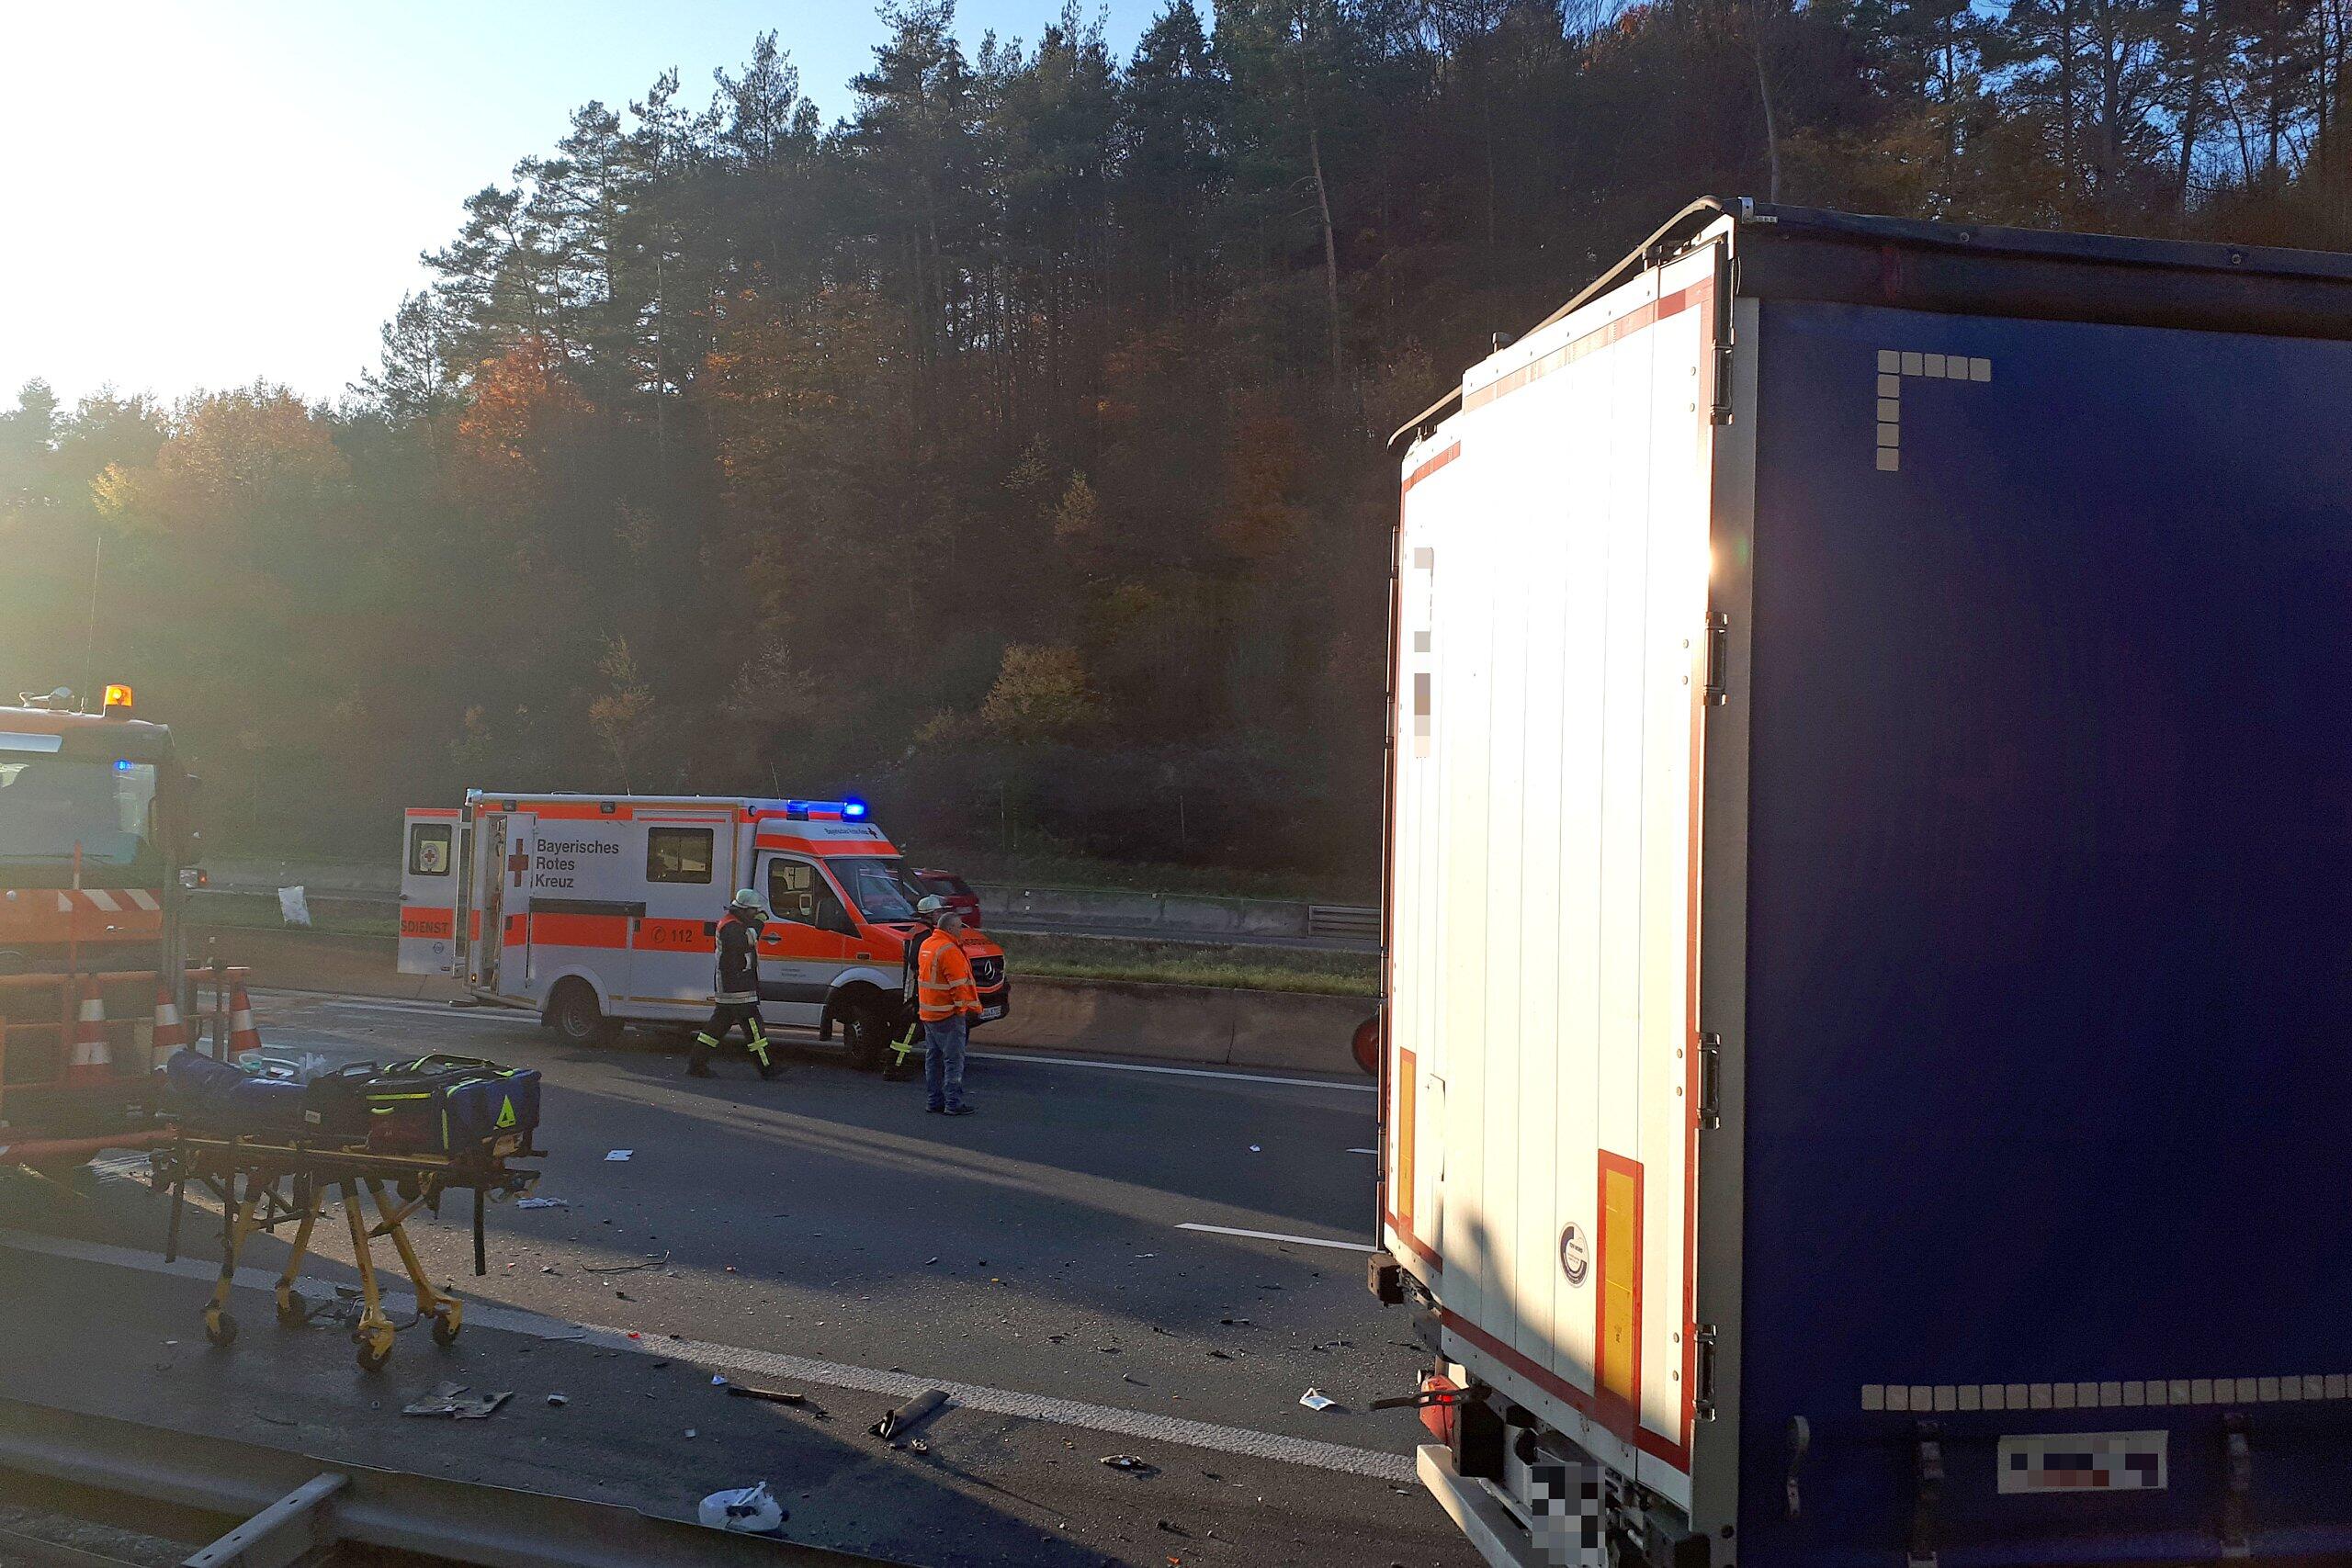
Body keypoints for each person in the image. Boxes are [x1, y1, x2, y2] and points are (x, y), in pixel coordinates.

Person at [691, 889, 780, 1080]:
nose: (756, 914)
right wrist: (760, 923)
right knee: (754, 1029)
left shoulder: (734, 922)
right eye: (754, 911)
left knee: (715, 1030)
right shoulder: (731, 927)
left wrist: (755, 921)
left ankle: (696, 1065)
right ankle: (767, 1068)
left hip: (732, 985)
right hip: (737, 988)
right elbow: (746, 941)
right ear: (744, 910)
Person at [914, 894, 980, 1114]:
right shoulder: (949, 950)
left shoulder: (928, 944)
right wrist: (963, 1011)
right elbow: (959, 985)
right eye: (959, 928)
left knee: (933, 1059)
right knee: (953, 1061)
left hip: (928, 1013)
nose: (962, 931)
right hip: (948, 1015)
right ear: (951, 928)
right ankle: (953, 1103)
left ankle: (934, 1101)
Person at [882, 902, 933, 1083]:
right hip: (915, 989)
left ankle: (895, 1063)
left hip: (912, 987)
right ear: (931, 914)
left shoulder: (916, 930)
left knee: (907, 1029)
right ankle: (895, 1067)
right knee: (909, 1029)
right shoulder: (923, 934)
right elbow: (916, 962)